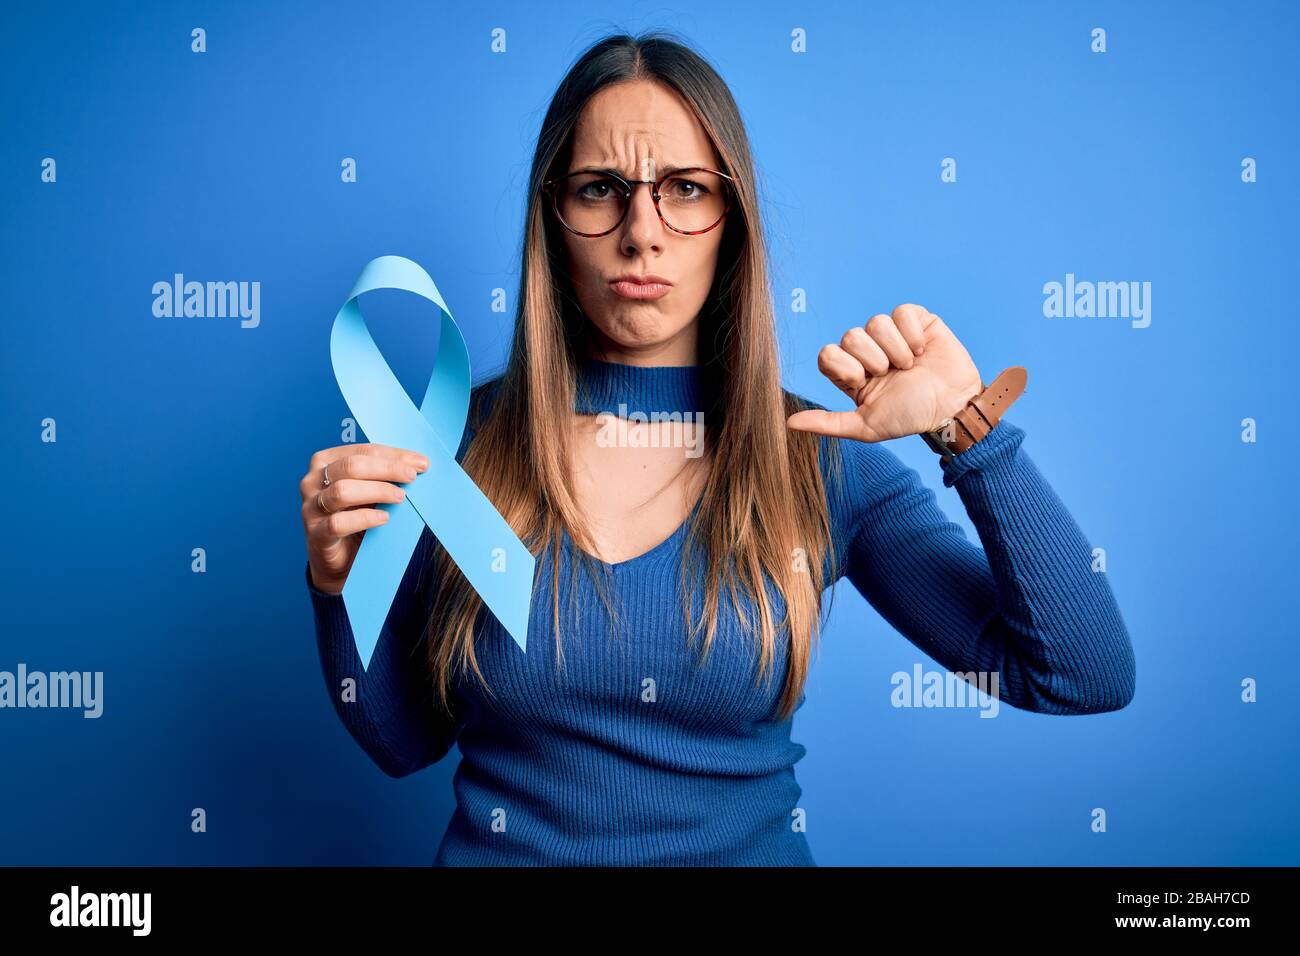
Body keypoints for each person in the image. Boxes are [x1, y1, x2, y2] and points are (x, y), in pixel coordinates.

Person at [298, 31, 1136, 866]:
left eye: (685, 190)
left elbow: (1080, 675)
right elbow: (402, 745)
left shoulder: (814, 460)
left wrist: (966, 431)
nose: (641, 232)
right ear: (553, 215)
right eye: (600, 190)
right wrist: (340, 590)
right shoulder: (451, 447)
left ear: (731, 219)